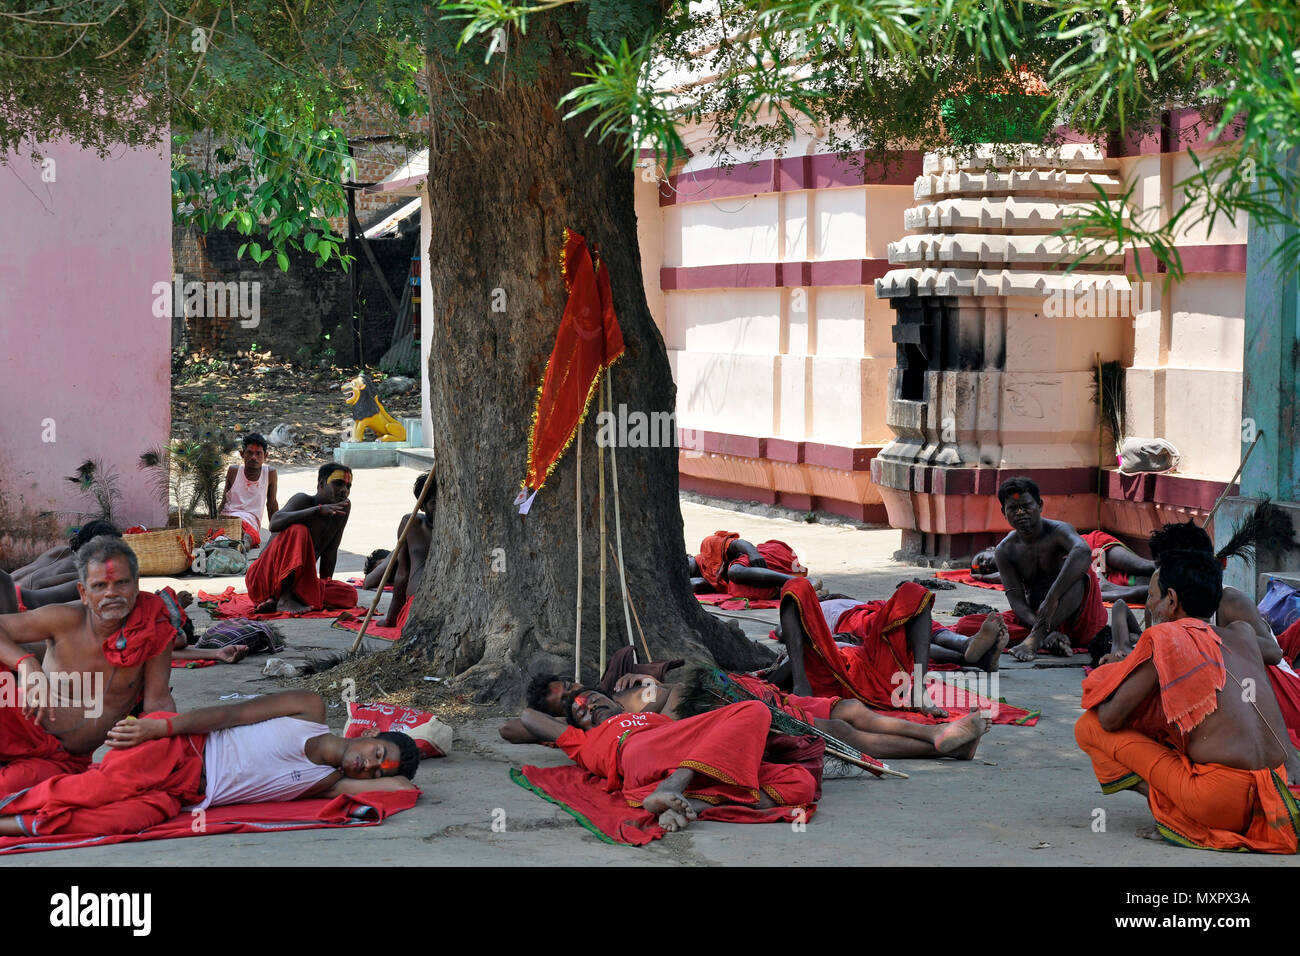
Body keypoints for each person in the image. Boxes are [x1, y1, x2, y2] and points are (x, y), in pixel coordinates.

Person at [1075, 549, 1300, 852]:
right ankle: (1189, 801)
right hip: (1272, 794)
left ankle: (1177, 814)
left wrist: (1106, 681)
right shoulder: (1244, 634)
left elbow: (1110, 718)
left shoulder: (1166, 637)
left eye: (1152, 596)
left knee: (1089, 726)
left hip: (1218, 801)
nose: (1149, 605)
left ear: (1172, 599)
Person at [0, 691, 418, 838]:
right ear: (368, 734)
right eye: (377, 754)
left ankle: (12, 824)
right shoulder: (308, 709)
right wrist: (157, 732)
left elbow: (402, 791)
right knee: (93, 792)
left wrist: (403, 763)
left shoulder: (326, 783)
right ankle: (14, 800)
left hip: (182, 796)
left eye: (377, 771)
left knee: (118, 821)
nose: (367, 766)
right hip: (177, 746)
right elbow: (229, 716)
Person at [0, 536, 177, 794]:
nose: (111, 593)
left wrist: (169, 751)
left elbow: (158, 705)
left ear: (137, 585)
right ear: (83, 593)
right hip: (18, 726)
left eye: (121, 583)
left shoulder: (152, 629)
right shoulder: (64, 619)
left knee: (11, 790)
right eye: (100, 585)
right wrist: (27, 664)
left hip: (65, 759)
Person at [516, 670, 991, 760]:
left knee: (846, 708)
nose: (580, 698)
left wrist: (644, 679)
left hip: (743, 689)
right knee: (836, 730)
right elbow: (516, 723)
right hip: (731, 714)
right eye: (569, 705)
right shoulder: (610, 725)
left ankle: (940, 738)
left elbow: (663, 668)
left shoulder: (617, 684)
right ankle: (937, 743)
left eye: (574, 688)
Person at [517, 692, 817, 832]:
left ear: (619, 703)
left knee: (800, 782)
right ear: (579, 728)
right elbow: (525, 718)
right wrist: (568, 710)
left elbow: (670, 689)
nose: (589, 706)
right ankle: (672, 787)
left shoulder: (653, 716)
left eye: (594, 699)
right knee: (754, 709)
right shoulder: (583, 741)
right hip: (637, 753)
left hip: (690, 754)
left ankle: (690, 803)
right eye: (582, 713)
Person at [777, 576, 1008, 716]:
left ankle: (920, 689)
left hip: (872, 658)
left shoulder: (844, 600)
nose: (821, 595)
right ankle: (801, 687)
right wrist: (833, 640)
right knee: (795, 585)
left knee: (913, 593)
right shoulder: (812, 615)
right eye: (816, 596)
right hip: (834, 655)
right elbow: (783, 631)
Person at [965, 477, 1106, 661]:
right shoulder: (1005, 550)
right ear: (1003, 513)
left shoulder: (1058, 531)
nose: (1021, 512)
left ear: (1040, 505)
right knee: (967, 625)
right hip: (1037, 618)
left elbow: (1083, 551)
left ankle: (1036, 638)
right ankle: (1048, 637)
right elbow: (1017, 602)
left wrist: (1052, 597)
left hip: (1079, 618)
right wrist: (1046, 627)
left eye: (1026, 505)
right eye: (1013, 508)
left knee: (1081, 571)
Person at [245, 463, 356, 615]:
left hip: (300, 583)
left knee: (349, 595)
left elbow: (331, 552)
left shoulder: (343, 508)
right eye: (338, 484)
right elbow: (274, 523)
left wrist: (324, 585)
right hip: (263, 578)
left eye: (348, 486)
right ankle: (284, 597)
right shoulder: (303, 500)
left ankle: (276, 600)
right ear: (321, 484)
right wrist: (316, 511)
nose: (344, 491)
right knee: (299, 531)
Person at [689, 531, 818, 600]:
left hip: (764, 555)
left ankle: (802, 582)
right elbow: (697, 584)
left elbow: (740, 544)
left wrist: (752, 553)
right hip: (766, 574)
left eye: (684, 564)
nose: (684, 570)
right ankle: (798, 588)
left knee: (734, 571)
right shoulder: (707, 579)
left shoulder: (707, 546)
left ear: (688, 556)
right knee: (738, 589)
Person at [6, 520, 122, 596]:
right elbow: (37, 586)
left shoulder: (61, 550)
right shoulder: (81, 569)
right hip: (13, 599)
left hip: (5, 583)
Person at [381, 473, 436, 631]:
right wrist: (391, 617)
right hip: (416, 603)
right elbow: (402, 573)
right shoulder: (411, 524)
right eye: (434, 502)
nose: (440, 507)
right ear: (422, 506)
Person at [219, 433, 280, 552]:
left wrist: (276, 533)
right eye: (250, 453)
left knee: (247, 537)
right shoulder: (233, 471)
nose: (254, 457)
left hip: (250, 524)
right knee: (220, 535)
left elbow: (272, 505)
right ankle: (231, 545)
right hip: (229, 519)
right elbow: (224, 500)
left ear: (265, 456)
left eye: (258, 453)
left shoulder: (270, 473)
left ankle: (240, 547)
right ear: (242, 454)